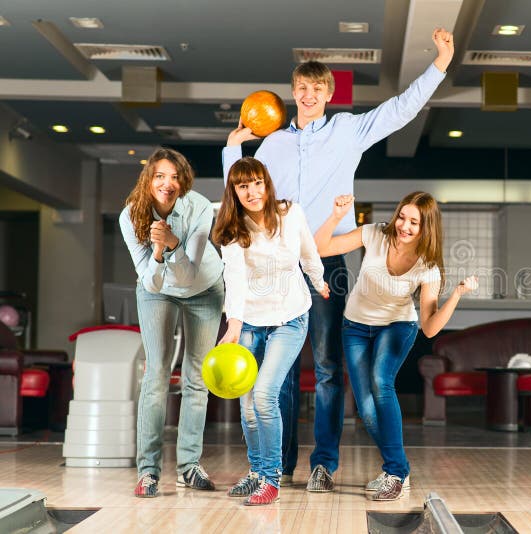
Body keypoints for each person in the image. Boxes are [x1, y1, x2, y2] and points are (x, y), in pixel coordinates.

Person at [222, 28, 456, 492]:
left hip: (326, 263)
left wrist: (441, 63)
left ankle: (322, 464)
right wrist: (233, 147)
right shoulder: (271, 147)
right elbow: (242, 193)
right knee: (278, 373)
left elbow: (401, 108)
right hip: (278, 265)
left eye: (317, 89)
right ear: (293, 93)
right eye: (301, 89)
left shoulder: (348, 130)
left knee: (329, 366)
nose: (308, 96)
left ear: (329, 94)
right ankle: (278, 464)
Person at [315, 192, 478, 501]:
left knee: (380, 381)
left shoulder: (428, 266)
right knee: (365, 408)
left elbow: (429, 328)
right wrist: (336, 216)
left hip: (397, 326)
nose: (404, 225)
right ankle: (400, 471)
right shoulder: (375, 233)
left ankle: (395, 473)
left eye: (414, 222)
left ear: (426, 228)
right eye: (402, 216)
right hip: (356, 327)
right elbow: (322, 248)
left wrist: (456, 294)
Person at [212, 157, 329, 506]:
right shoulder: (232, 229)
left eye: (257, 183)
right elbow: (233, 279)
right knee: (247, 403)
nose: (252, 191)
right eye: (243, 185)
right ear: (234, 190)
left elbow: (309, 253)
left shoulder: (291, 214)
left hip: (290, 318)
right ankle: (257, 472)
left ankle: (272, 478)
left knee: (264, 395)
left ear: (267, 183)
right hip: (249, 319)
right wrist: (233, 324)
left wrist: (319, 281)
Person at [120, 147, 224, 498]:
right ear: (148, 178)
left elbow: (190, 270)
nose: (168, 183)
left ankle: (189, 466)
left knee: (197, 377)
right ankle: (148, 472)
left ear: (184, 182)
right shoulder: (129, 216)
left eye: (176, 176)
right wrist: (160, 251)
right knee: (156, 374)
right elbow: (151, 282)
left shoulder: (198, 206)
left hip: (204, 287)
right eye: (161, 175)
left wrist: (172, 243)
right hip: (157, 287)